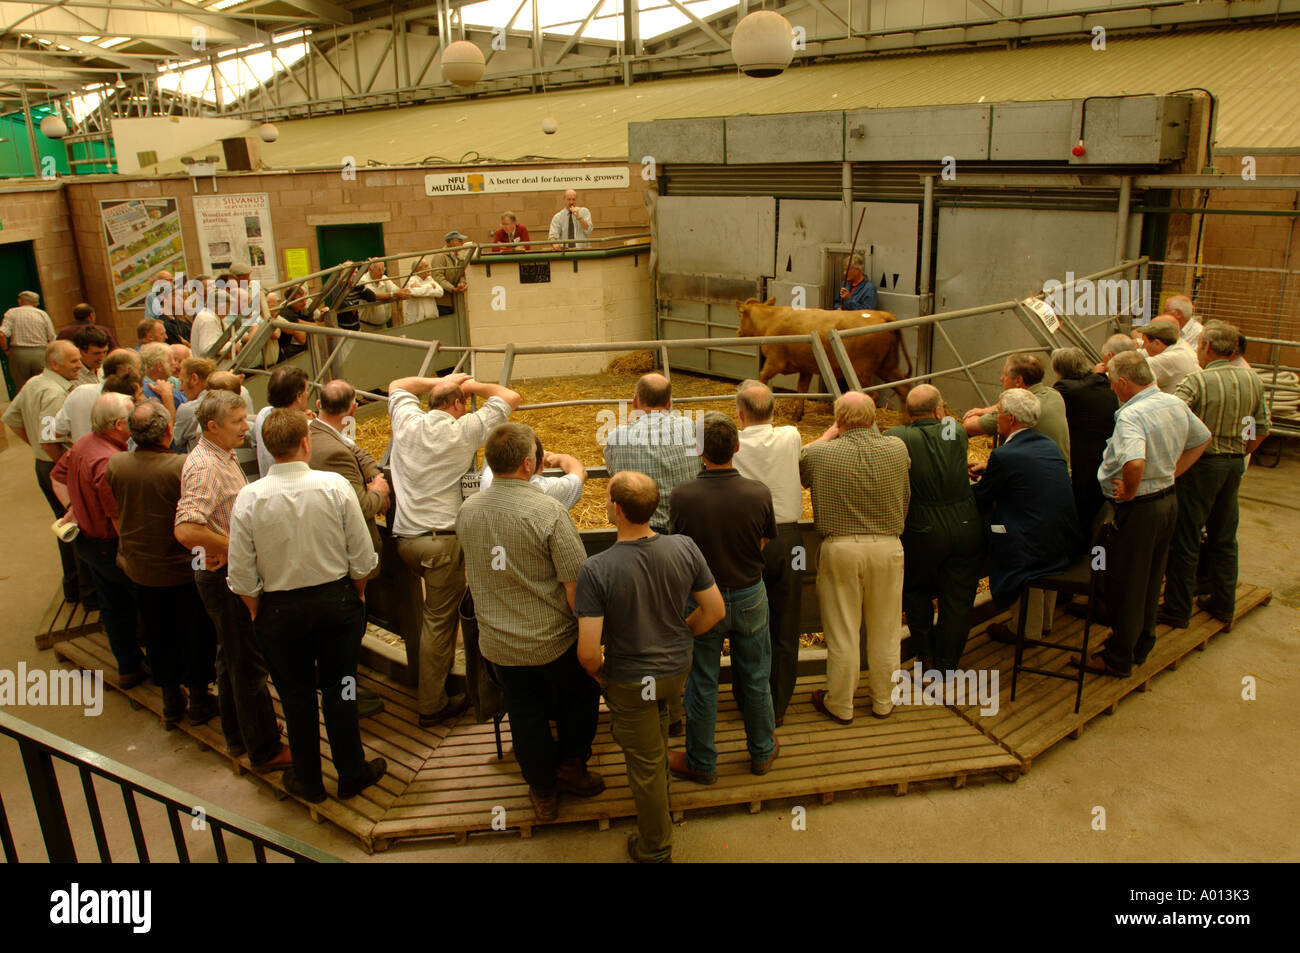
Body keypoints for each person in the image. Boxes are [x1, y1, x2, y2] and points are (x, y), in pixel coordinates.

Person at [227, 408, 383, 803]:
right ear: (305, 443)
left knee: (294, 697)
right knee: (342, 689)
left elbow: (241, 576)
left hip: (278, 611)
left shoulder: (249, 497)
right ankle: (351, 774)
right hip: (336, 603)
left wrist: (257, 610)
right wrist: (357, 594)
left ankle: (308, 781)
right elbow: (362, 557)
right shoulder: (334, 487)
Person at [575, 472, 724, 863]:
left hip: (630, 678)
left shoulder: (597, 569)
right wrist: (681, 636)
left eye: (608, 497)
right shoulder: (685, 548)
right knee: (656, 739)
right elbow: (714, 611)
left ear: (618, 509)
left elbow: (589, 652)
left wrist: (602, 674)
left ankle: (655, 847)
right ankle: (662, 799)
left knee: (643, 765)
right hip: (675, 672)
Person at [456, 422, 601, 821]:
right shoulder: (549, 512)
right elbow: (576, 588)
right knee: (580, 698)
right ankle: (572, 766)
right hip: (553, 641)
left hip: (500, 645)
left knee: (525, 714)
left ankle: (541, 790)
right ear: (528, 463)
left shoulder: (468, 511)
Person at [388, 371, 520, 727]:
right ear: (458, 405)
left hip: (404, 538)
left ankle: (431, 686)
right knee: (438, 623)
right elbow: (510, 395)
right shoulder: (464, 429)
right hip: (442, 542)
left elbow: (397, 386)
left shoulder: (407, 422)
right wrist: (472, 384)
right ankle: (432, 704)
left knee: (428, 612)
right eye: (463, 402)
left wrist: (436, 382)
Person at [174, 390, 290, 772]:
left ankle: (239, 733)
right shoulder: (206, 467)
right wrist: (234, 546)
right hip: (224, 578)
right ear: (212, 426)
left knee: (230, 658)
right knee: (248, 665)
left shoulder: (217, 455)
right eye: (238, 422)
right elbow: (187, 529)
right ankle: (265, 750)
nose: (247, 427)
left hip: (221, 572)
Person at [1078, 352, 1211, 677]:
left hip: (1138, 511)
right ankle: (1141, 643)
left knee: (1125, 583)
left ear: (1123, 382)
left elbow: (1134, 462)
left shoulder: (1131, 416)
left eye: (1111, 383)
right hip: (1166, 502)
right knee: (1151, 578)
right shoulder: (1172, 402)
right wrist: (1171, 473)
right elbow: (1202, 437)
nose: (1111, 389)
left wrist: (1131, 490)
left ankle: (1117, 657)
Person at [668, 412, 778, 784]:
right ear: (736, 446)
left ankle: (701, 760)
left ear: (698, 450)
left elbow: (679, 545)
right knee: (756, 676)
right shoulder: (758, 492)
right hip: (749, 593)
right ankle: (762, 751)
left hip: (701, 598)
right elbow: (763, 540)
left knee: (702, 680)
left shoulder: (682, 496)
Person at [108, 401, 219, 728]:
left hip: (141, 568)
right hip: (182, 568)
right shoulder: (181, 467)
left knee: (158, 633)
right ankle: (199, 699)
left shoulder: (116, 464)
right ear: (169, 430)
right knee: (195, 633)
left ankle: (171, 701)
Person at [800, 391, 910, 723]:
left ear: (839, 419)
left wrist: (828, 434)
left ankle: (841, 703)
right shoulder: (896, 448)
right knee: (886, 629)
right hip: (888, 545)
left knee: (843, 631)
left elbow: (801, 466)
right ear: (875, 416)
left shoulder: (819, 453)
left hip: (841, 548)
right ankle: (883, 700)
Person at [1160, 321, 1271, 628]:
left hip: (1202, 467)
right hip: (1234, 464)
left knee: (1186, 537)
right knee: (1224, 536)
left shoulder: (1197, 382)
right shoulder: (1253, 381)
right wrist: (1241, 451)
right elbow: (1261, 427)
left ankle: (1177, 609)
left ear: (1207, 347)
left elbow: (1169, 419)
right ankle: (1223, 603)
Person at [969, 388, 1083, 643]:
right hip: (1062, 538)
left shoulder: (1004, 454)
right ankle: (1044, 622)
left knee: (998, 529)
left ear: (1010, 419)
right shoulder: (1048, 444)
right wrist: (992, 469)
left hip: (1028, 543)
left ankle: (1024, 630)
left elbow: (982, 497)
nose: (996, 418)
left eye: (998, 413)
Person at [884, 384, 982, 674]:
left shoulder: (898, 437)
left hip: (923, 528)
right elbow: (951, 432)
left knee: (917, 592)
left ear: (907, 412)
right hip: (966, 524)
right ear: (940, 410)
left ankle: (925, 657)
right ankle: (947, 663)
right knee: (959, 597)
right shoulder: (956, 431)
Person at [50, 393, 143, 683]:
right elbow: (117, 517)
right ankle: (158, 669)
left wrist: (72, 507)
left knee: (112, 605)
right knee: (145, 605)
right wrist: (132, 554)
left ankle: (128, 666)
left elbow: (57, 475)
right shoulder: (110, 462)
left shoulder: (82, 444)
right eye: (132, 417)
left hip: (87, 542)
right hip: (110, 545)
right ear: (118, 424)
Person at [731, 380, 804, 724]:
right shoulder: (791, 436)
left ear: (740, 415)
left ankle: (749, 701)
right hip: (790, 540)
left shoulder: (731, 444)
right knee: (786, 621)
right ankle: (778, 706)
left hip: (746, 541)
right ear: (774, 410)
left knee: (746, 622)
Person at [3, 340, 92, 604]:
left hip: (44, 463)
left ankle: (73, 587)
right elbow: (48, 438)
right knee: (77, 528)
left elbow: (12, 418)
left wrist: (38, 450)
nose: (80, 365)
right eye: (74, 361)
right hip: (56, 466)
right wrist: (62, 463)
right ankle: (88, 594)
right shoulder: (54, 393)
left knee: (64, 526)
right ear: (55, 364)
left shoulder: (34, 383)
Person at [602, 373, 700, 533]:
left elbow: (614, 473)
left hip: (641, 531)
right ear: (669, 404)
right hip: (687, 529)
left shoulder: (618, 437)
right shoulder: (689, 427)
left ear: (635, 402)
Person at [310, 379, 389, 565]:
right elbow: (362, 507)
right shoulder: (335, 453)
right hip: (346, 555)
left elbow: (356, 450)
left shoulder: (314, 431)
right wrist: (379, 491)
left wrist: (374, 475)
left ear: (319, 405)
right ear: (354, 409)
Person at [963, 352, 1071, 469]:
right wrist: (984, 410)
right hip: (1058, 475)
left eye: (1005, 375)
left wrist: (971, 415)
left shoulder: (1014, 411)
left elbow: (969, 427)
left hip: (1031, 482)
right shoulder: (1054, 395)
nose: (1001, 379)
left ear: (1018, 381)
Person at [1051, 347, 1118, 534]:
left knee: (1079, 501)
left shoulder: (1064, 389)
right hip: (1104, 451)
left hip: (1081, 455)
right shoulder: (1102, 382)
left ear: (1059, 371)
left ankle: (1076, 544)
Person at [55, 349, 144, 445]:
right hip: (116, 457)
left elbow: (53, 431)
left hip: (84, 457)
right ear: (127, 370)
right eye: (138, 370)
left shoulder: (79, 392)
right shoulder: (126, 400)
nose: (139, 375)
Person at [478, 434, 586, 509]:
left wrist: (544, 455)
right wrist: (561, 458)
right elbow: (579, 472)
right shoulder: (541, 489)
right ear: (527, 464)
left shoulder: (490, 469)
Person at [253, 365, 311, 478]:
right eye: (306, 390)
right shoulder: (305, 429)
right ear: (298, 396)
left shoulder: (263, 415)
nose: (308, 394)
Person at [1, 291, 57, 390]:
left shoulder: (11, 313)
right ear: (35, 303)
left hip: (19, 354)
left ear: (20, 301)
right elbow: (52, 337)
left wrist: (6, 349)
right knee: (43, 385)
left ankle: (27, 405)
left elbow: (2, 334)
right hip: (40, 353)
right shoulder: (42, 314)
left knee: (22, 387)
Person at [1137, 318, 1199, 394]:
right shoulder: (1179, 343)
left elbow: (1133, 368)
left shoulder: (1168, 359)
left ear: (1157, 343)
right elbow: (1140, 354)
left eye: (1145, 342)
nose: (1143, 346)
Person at [428, 233, 472, 316]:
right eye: (459, 241)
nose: (462, 243)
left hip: (455, 301)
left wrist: (462, 283)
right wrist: (453, 288)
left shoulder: (459, 258)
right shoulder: (440, 256)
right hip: (443, 302)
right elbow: (438, 277)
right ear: (451, 242)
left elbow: (461, 274)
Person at [357, 259, 410, 329]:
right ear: (370, 270)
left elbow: (395, 289)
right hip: (367, 326)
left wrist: (404, 291)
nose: (382, 272)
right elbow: (373, 296)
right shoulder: (363, 280)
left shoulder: (384, 278)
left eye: (383, 269)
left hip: (383, 325)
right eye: (379, 270)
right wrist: (393, 294)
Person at [138, 342, 180, 418]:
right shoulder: (145, 390)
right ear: (160, 366)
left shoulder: (172, 380)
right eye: (172, 361)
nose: (176, 365)